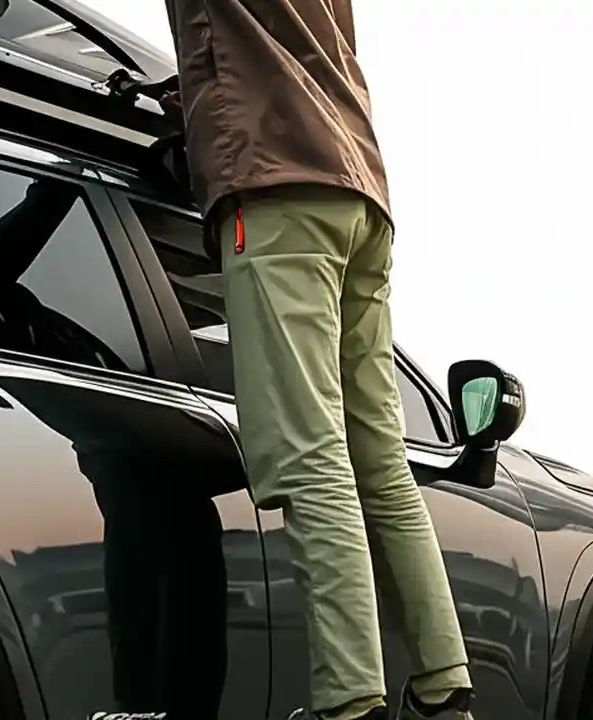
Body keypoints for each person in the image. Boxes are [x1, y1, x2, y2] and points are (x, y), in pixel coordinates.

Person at [157, 2, 476, 719]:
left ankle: (349, 703)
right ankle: (443, 689)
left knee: (311, 454)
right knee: (378, 458)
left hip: (275, 187)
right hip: (358, 186)